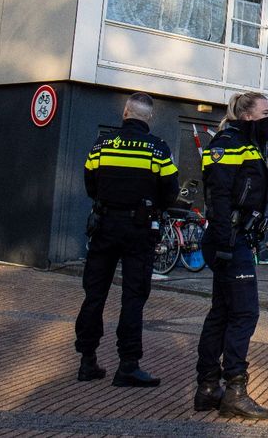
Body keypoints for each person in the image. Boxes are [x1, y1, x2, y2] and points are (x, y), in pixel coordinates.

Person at [75, 92, 179, 387]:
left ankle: (87, 361)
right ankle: (128, 366)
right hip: (139, 229)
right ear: (149, 118)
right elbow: (170, 191)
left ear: (125, 113)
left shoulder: (102, 144)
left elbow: (90, 185)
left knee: (95, 294)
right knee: (133, 298)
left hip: (104, 226)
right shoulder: (158, 150)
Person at [194, 91, 268, 419]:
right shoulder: (229, 141)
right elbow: (219, 194)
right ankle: (235, 391)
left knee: (223, 312)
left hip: (237, 237)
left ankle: (209, 388)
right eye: (266, 111)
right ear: (248, 115)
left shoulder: (251, 143)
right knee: (244, 314)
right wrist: (227, 242)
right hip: (229, 239)